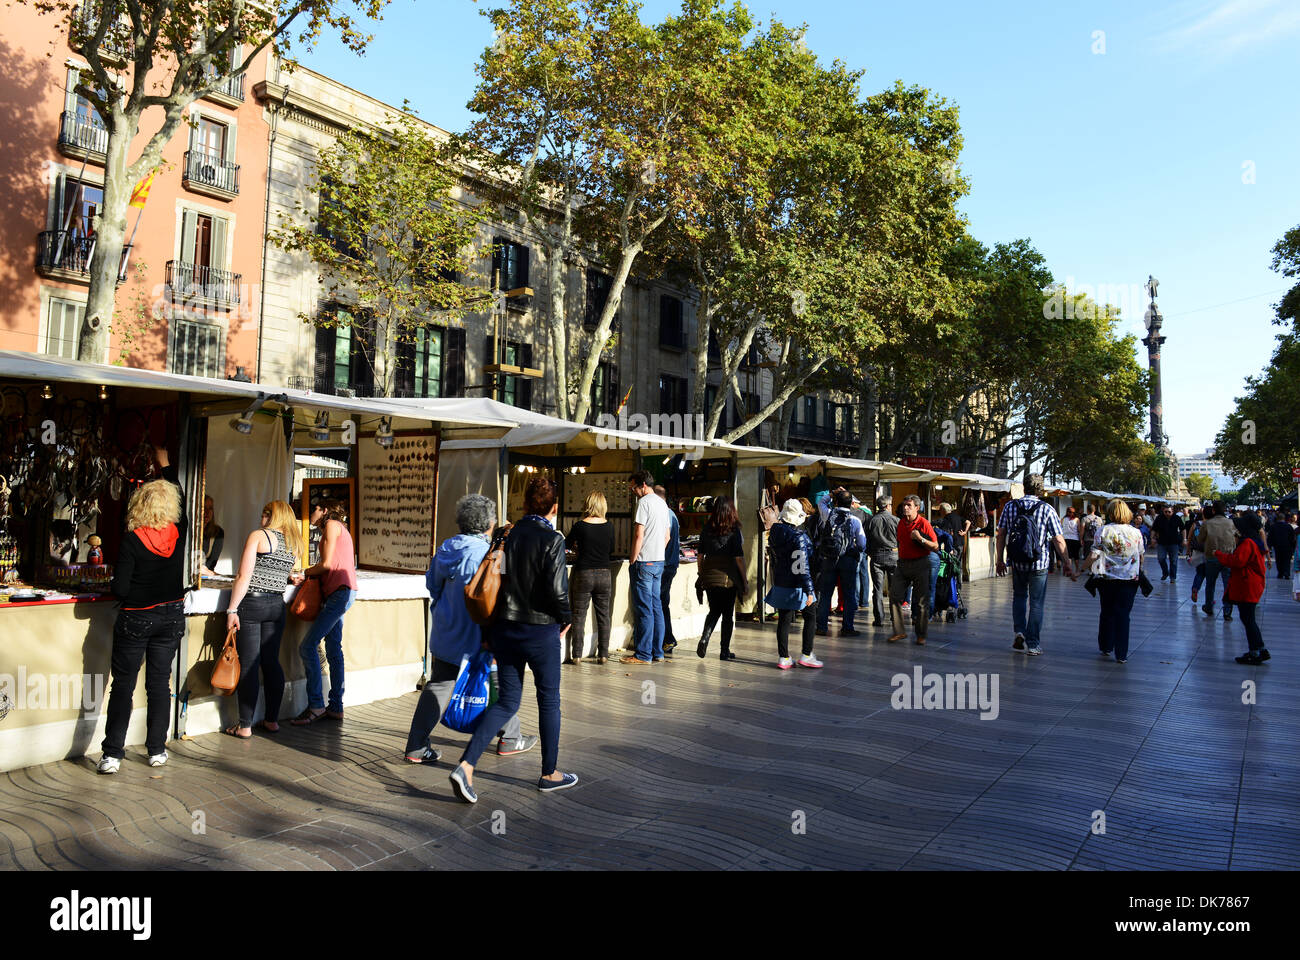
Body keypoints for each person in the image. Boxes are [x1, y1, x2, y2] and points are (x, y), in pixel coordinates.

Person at [449, 477, 577, 802]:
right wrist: (566, 618)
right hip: (541, 631)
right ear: (554, 507)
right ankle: (550, 773)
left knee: (507, 701)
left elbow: (500, 580)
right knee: (549, 699)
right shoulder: (553, 540)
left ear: (523, 504)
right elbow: (558, 591)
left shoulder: (507, 536)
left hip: (505, 629)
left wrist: (489, 632)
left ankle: (466, 765)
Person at [404, 495, 538, 764]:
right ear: (490, 523)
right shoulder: (490, 555)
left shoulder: (445, 549)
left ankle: (416, 745)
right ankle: (511, 738)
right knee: (500, 684)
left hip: (445, 630)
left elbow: (432, 586)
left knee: (440, 685)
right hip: (479, 633)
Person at [99, 448, 186, 774]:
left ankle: (112, 755)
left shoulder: (132, 540)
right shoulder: (179, 533)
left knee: (123, 685)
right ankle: (156, 750)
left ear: (139, 506)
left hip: (137, 616)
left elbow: (120, 589)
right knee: (159, 685)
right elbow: (179, 491)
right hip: (172, 615)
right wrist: (165, 464)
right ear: (170, 507)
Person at [223, 500, 304, 738]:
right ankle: (271, 720)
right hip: (276, 606)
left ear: (272, 516)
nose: (261, 519)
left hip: (253, 603)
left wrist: (231, 610)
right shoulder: (293, 543)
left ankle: (245, 725)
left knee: (248, 664)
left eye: (264, 514)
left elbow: (243, 575)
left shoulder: (259, 536)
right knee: (270, 662)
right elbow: (280, 572)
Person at [292, 500, 358, 724]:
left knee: (308, 646)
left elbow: (327, 564)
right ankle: (336, 706)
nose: (310, 513)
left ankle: (316, 706)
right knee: (333, 650)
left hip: (339, 593)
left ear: (325, 510)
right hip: (341, 592)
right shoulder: (339, 528)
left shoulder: (331, 524)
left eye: (313, 509)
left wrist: (304, 572)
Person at [996, 473, 1075, 655]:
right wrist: (1067, 563)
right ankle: (1033, 644)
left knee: (1019, 597)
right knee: (1037, 603)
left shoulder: (1010, 506)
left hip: (1017, 562)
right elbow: (1058, 539)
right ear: (1040, 489)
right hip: (1039, 564)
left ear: (1024, 487)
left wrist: (1000, 560)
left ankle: (1019, 632)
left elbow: (1000, 534)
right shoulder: (1047, 509)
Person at [1085, 499, 1145, 663]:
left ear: (1110, 513)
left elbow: (1094, 555)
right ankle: (1122, 653)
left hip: (1107, 579)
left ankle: (1106, 645)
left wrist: (1081, 569)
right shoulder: (1136, 532)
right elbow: (1140, 556)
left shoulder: (1103, 531)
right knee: (1123, 615)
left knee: (1106, 611)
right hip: (1129, 579)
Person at [622, 470, 672, 665]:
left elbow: (638, 535)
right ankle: (657, 652)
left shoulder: (643, 503)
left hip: (644, 562)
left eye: (634, 487)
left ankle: (643, 654)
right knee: (656, 607)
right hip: (659, 562)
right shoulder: (662, 503)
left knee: (644, 609)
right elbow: (667, 536)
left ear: (643, 485)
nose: (633, 491)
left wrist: (633, 559)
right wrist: (658, 550)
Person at [764, 499, 821, 669]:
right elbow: (801, 566)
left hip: (781, 582)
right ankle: (807, 654)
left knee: (784, 620)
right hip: (797, 586)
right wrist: (809, 590)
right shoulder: (798, 537)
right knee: (811, 616)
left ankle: (784, 657)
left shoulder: (775, 531)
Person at [566, 491, 615, 664]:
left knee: (579, 615)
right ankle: (603, 654)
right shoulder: (609, 526)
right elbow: (611, 549)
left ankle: (577, 655)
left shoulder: (579, 526)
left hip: (584, 573)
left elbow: (567, 544)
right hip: (604, 574)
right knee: (604, 616)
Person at [1215, 514, 1270, 665]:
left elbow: (1237, 561)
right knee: (1249, 619)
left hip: (1248, 585)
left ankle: (1255, 652)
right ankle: (1260, 648)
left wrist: (1219, 555)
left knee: (1248, 619)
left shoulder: (1247, 543)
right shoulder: (1255, 542)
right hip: (1252, 585)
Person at [695, 495, 746, 660]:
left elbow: (700, 555)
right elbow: (738, 558)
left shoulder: (707, 528)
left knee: (714, 610)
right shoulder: (733, 530)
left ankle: (704, 638)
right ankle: (724, 651)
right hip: (728, 578)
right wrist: (744, 579)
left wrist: (701, 574)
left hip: (709, 577)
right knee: (727, 615)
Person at [814, 488, 867, 636]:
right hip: (847, 560)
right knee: (849, 594)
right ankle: (847, 627)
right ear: (851, 504)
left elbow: (821, 501)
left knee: (825, 594)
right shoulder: (855, 520)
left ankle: (821, 627)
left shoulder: (828, 515)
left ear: (836, 502)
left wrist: (832, 493)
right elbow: (862, 544)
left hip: (829, 559)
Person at [889, 495, 938, 645]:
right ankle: (899, 631)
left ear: (917, 507)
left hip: (920, 564)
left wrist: (920, 538)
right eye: (904, 505)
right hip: (903, 564)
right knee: (894, 596)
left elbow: (935, 546)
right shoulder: (901, 523)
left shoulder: (924, 523)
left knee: (921, 602)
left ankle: (921, 635)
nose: (905, 508)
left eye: (909, 505)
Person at [654, 485, 681, 656]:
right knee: (663, 603)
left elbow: (664, 539)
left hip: (663, 565)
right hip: (671, 565)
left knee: (660, 604)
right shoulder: (672, 515)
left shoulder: (664, 515)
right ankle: (666, 639)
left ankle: (667, 638)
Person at [1198, 501, 1237, 620]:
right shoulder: (1231, 523)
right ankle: (1227, 611)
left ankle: (1209, 606)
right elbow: (1237, 536)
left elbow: (1200, 539)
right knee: (1228, 585)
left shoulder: (1207, 523)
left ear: (1213, 510)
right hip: (1228, 557)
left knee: (1210, 584)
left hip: (1212, 557)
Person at [866, 495, 899, 627]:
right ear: (887, 506)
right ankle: (895, 616)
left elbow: (865, 540)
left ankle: (879, 618)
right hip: (893, 555)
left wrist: (870, 552)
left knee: (877, 589)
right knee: (894, 589)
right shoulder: (896, 520)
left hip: (877, 556)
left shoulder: (872, 520)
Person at [1151, 505, 1185, 584]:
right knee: (1161, 558)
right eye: (1165, 511)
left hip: (1174, 543)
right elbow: (1154, 529)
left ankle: (1172, 577)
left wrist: (1184, 539)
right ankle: (1165, 572)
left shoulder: (1176, 518)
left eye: (1169, 512)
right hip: (1162, 543)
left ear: (1172, 511)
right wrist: (1152, 538)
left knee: (1173, 561)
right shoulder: (1159, 518)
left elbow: (1183, 529)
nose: (1167, 513)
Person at [1267, 510, 1296, 580]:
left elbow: (1270, 537)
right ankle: (1286, 573)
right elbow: (1292, 537)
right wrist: (1293, 547)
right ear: (1284, 519)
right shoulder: (1288, 526)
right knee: (1287, 560)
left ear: (1277, 519)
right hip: (1287, 546)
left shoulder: (1274, 526)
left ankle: (1280, 573)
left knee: (1279, 560)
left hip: (1277, 546)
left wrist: (1269, 546)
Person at [200, 495, 224, 576]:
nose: (207, 512)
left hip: (205, 574)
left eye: (210, 508)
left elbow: (212, 563)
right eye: (204, 507)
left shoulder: (217, 533)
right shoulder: (189, 530)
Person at [1060, 506, 1081, 573]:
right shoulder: (1077, 519)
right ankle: (1077, 569)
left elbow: (1060, 528)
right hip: (1075, 539)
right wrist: (1081, 539)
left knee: (1069, 555)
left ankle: (1069, 569)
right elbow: (1079, 530)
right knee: (1076, 555)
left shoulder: (1063, 519)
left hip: (1066, 539)